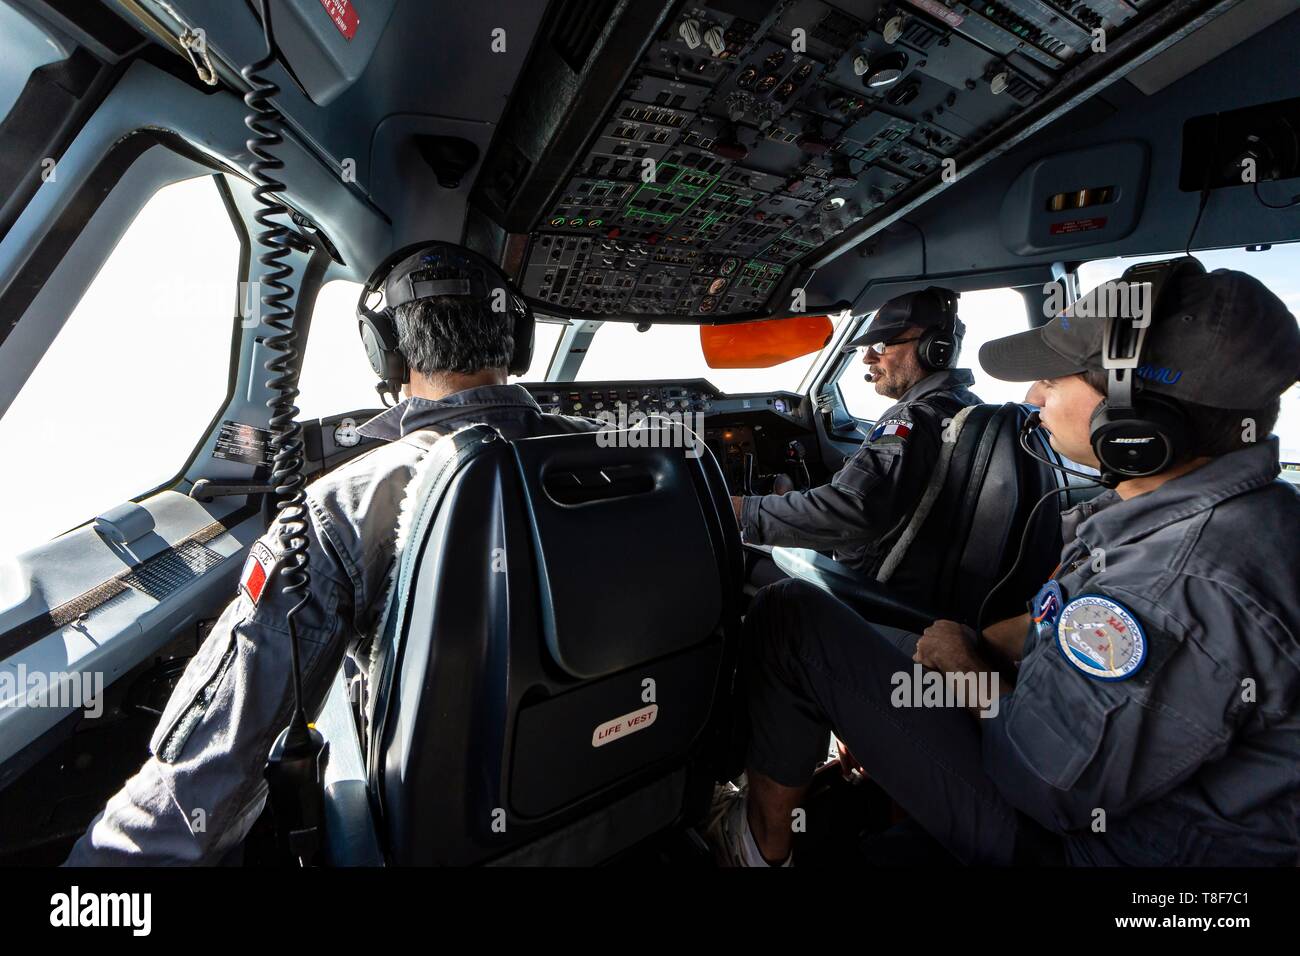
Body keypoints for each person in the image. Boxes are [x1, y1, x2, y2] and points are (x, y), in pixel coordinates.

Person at [709, 260, 1300, 867]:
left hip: (1076, 840)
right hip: (1070, 745)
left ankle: (756, 846)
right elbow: (1065, 621)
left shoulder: (1174, 585)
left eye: (1053, 379)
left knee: (787, 615)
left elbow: (1046, 783)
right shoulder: (1239, 512)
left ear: (1134, 417)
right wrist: (976, 647)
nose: (1032, 397)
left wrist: (963, 667)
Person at [66, 243, 595, 864]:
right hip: (598, 801)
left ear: (384, 351)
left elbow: (208, 775)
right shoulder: (619, 461)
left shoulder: (339, 508)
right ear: (519, 341)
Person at [732, 287, 980, 585]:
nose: (868, 358)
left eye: (882, 345)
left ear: (936, 349)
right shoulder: (971, 408)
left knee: (744, 563)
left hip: (873, 588)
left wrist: (744, 511)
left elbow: (852, 508)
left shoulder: (912, 418)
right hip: (929, 575)